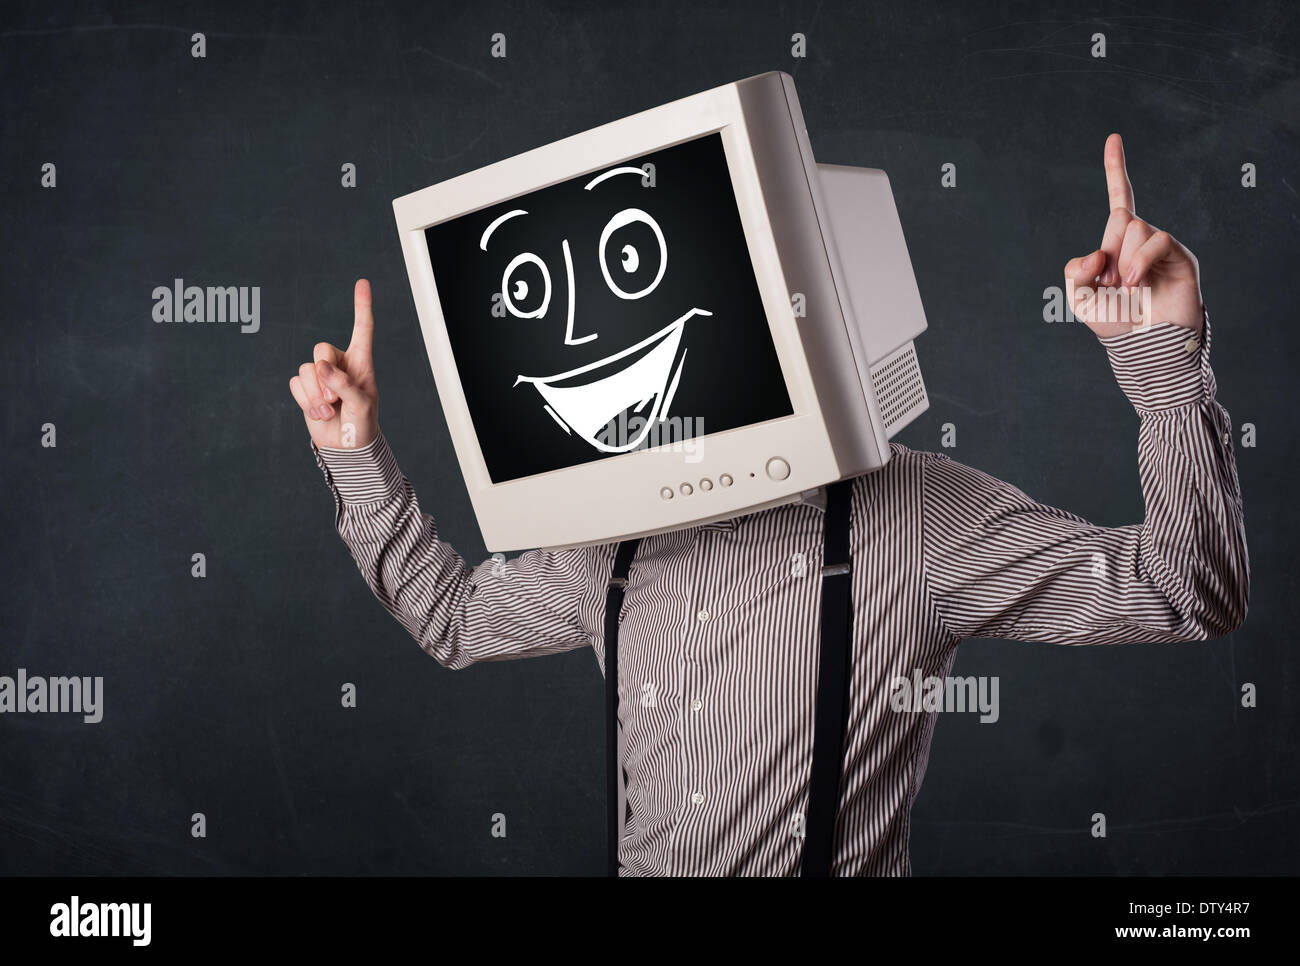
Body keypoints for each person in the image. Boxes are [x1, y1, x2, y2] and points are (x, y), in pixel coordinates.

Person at [287, 135, 1248, 875]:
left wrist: (1162, 365)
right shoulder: (611, 549)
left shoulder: (911, 518)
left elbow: (1183, 590)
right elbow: (453, 619)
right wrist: (357, 451)